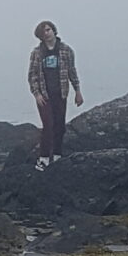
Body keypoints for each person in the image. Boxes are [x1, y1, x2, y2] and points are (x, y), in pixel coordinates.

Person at [28, 20, 82, 167]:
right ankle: (44, 158)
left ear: (53, 30)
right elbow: (32, 75)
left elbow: (72, 71)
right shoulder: (37, 53)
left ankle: (57, 155)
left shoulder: (66, 50)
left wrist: (78, 91)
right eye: (43, 32)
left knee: (60, 125)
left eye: (48, 30)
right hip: (44, 95)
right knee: (48, 125)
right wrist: (36, 94)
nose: (46, 33)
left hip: (61, 93)